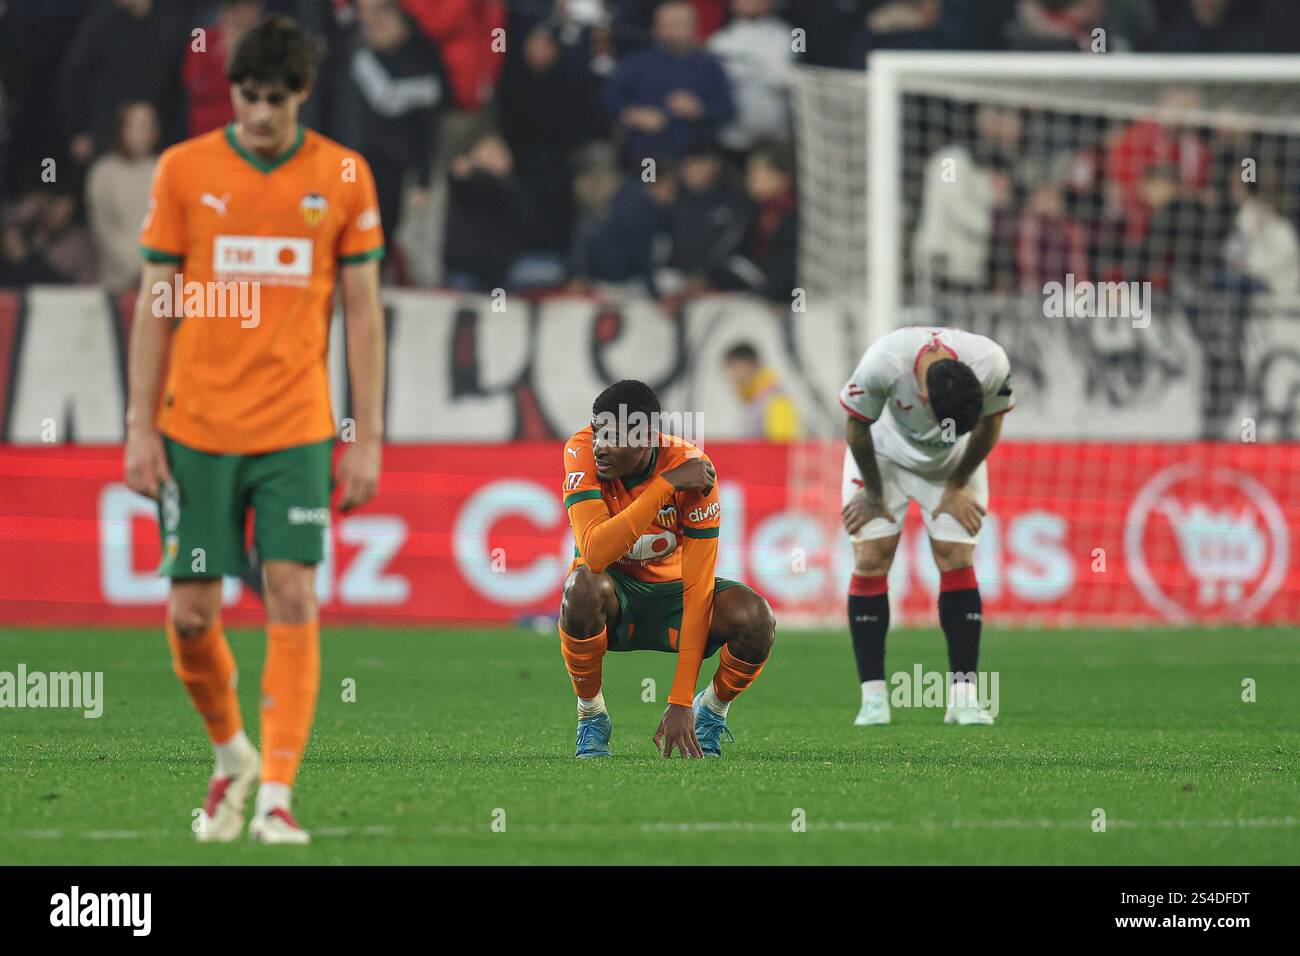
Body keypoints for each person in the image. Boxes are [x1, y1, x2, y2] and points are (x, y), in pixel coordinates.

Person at [124, 16, 387, 845]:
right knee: (193, 616)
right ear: (231, 89)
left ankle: (275, 792)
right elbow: (155, 306)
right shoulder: (184, 170)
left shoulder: (343, 175)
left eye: (276, 98)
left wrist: (368, 436)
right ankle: (232, 753)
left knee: (292, 593)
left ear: (302, 93)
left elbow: (364, 314)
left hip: (295, 429)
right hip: (195, 428)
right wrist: (139, 426)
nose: (261, 113)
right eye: (248, 96)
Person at [557, 380, 775, 758]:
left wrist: (682, 701)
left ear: (646, 438)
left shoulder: (696, 472)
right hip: (615, 596)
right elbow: (594, 553)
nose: (600, 447)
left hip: (674, 597)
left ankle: (712, 713)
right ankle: (591, 717)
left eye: (613, 437)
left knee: (755, 617)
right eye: (597, 433)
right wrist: (664, 486)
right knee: (581, 588)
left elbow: (698, 590)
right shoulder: (581, 452)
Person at [839, 327, 1014, 727]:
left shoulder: (990, 362)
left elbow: (991, 425)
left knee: (956, 557)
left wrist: (956, 484)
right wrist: (873, 493)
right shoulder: (883, 362)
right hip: (881, 457)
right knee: (870, 557)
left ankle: (964, 698)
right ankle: (874, 699)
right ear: (920, 398)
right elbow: (855, 426)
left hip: (953, 466)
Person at [86, 101, 160, 293]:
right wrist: (137, 266)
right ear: (122, 128)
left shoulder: (165, 168)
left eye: (149, 125)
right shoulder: (103, 172)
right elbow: (104, 230)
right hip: (119, 282)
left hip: (161, 281)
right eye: (137, 125)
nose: (144, 132)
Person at [721, 342, 802, 440]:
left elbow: (782, 449)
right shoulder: (754, 401)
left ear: (752, 365)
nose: (731, 376)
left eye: (734, 368)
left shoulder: (776, 402)